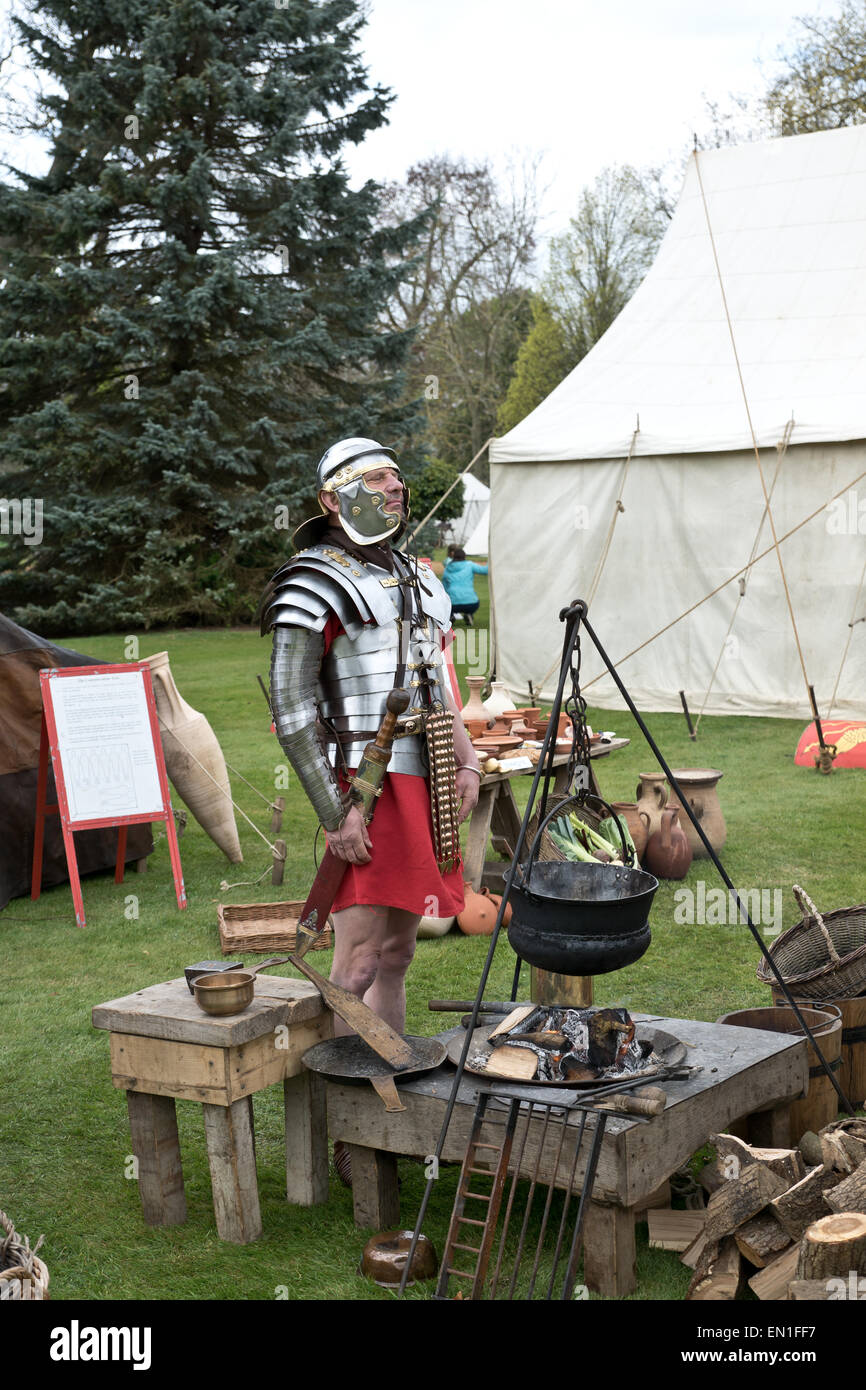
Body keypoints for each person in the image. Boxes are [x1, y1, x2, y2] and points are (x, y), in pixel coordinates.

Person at [260, 436, 481, 1059]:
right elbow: (293, 710)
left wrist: (465, 758)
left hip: (425, 773)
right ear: (332, 500)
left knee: (397, 955)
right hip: (362, 782)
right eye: (376, 480)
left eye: (396, 479)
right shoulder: (312, 582)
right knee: (356, 961)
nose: (394, 489)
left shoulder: (415, 575)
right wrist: (338, 812)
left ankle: (393, 1083)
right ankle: (347, 1125)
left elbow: (435, 677)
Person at [442, 547, 488, 625]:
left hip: (453, 605)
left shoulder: (447, 568)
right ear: (464, 556)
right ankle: (468, 614)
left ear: (453, 556)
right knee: (472, 602)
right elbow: (485, 571)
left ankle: (450, 616)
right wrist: (490, 559)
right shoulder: (469, 565)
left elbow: (444, 587)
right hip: (472, 604)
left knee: (446, 603)